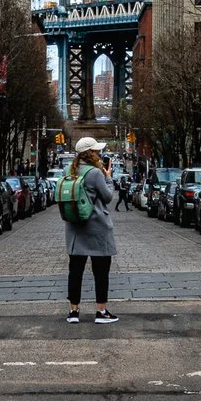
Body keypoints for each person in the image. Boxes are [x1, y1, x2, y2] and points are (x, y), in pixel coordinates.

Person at [58, 136, 119, 324]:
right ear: (90, 153)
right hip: (97, 228)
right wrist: (108, 178)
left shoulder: (69, 169)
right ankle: (101, 312)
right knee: (101, 271)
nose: (99, 153)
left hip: (75, 229)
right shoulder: (95, 173)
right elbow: (108, 197)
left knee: (75, 271)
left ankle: (73, 312)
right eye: (97, 151)